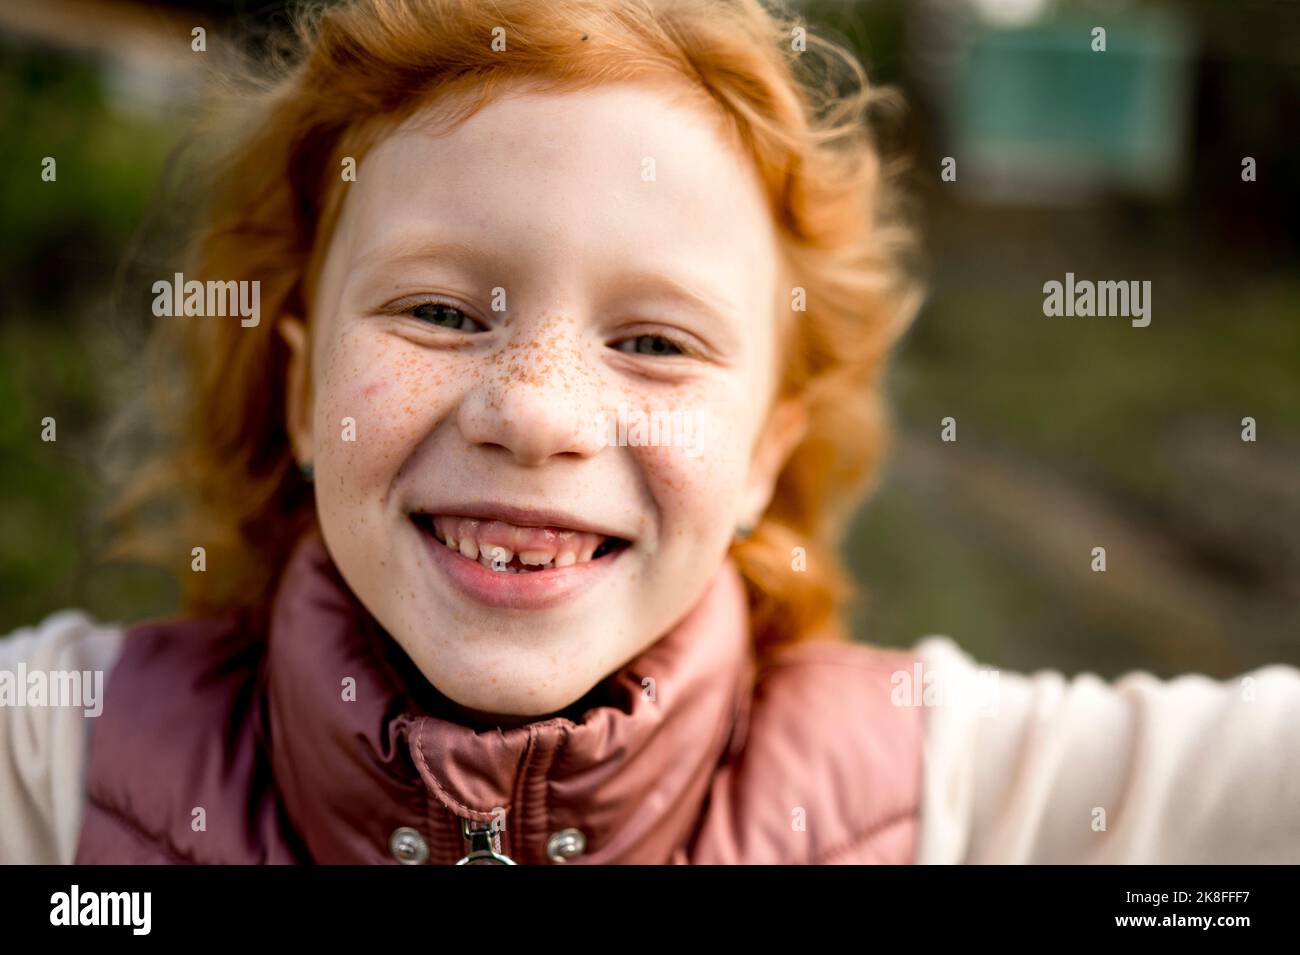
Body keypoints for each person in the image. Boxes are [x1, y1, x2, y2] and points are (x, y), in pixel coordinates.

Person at [2, 0, 1297, 865]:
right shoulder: (57, 764)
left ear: (763, 459)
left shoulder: (955, 790)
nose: (537, 413)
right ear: (298, 394)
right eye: (442, 310)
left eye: (657, 342)